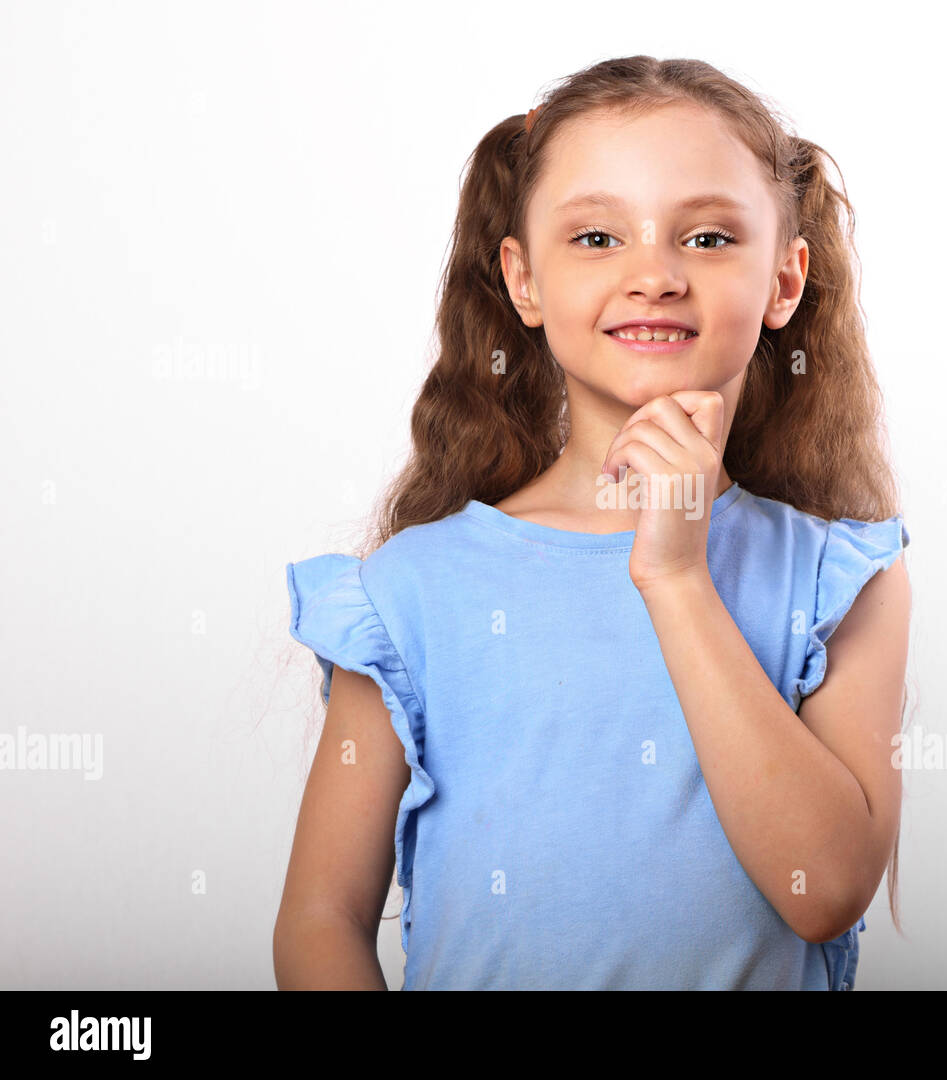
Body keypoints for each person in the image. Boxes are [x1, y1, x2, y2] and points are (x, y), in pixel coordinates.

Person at [273, 55, 913, 991]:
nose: (653, 275)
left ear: (784, 281)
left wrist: (679, 576)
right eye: (598, 237)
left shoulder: (839, 578)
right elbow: (321, 919)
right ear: (523, 282)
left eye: (705, 237)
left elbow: (826, 891)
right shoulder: (408, 591)